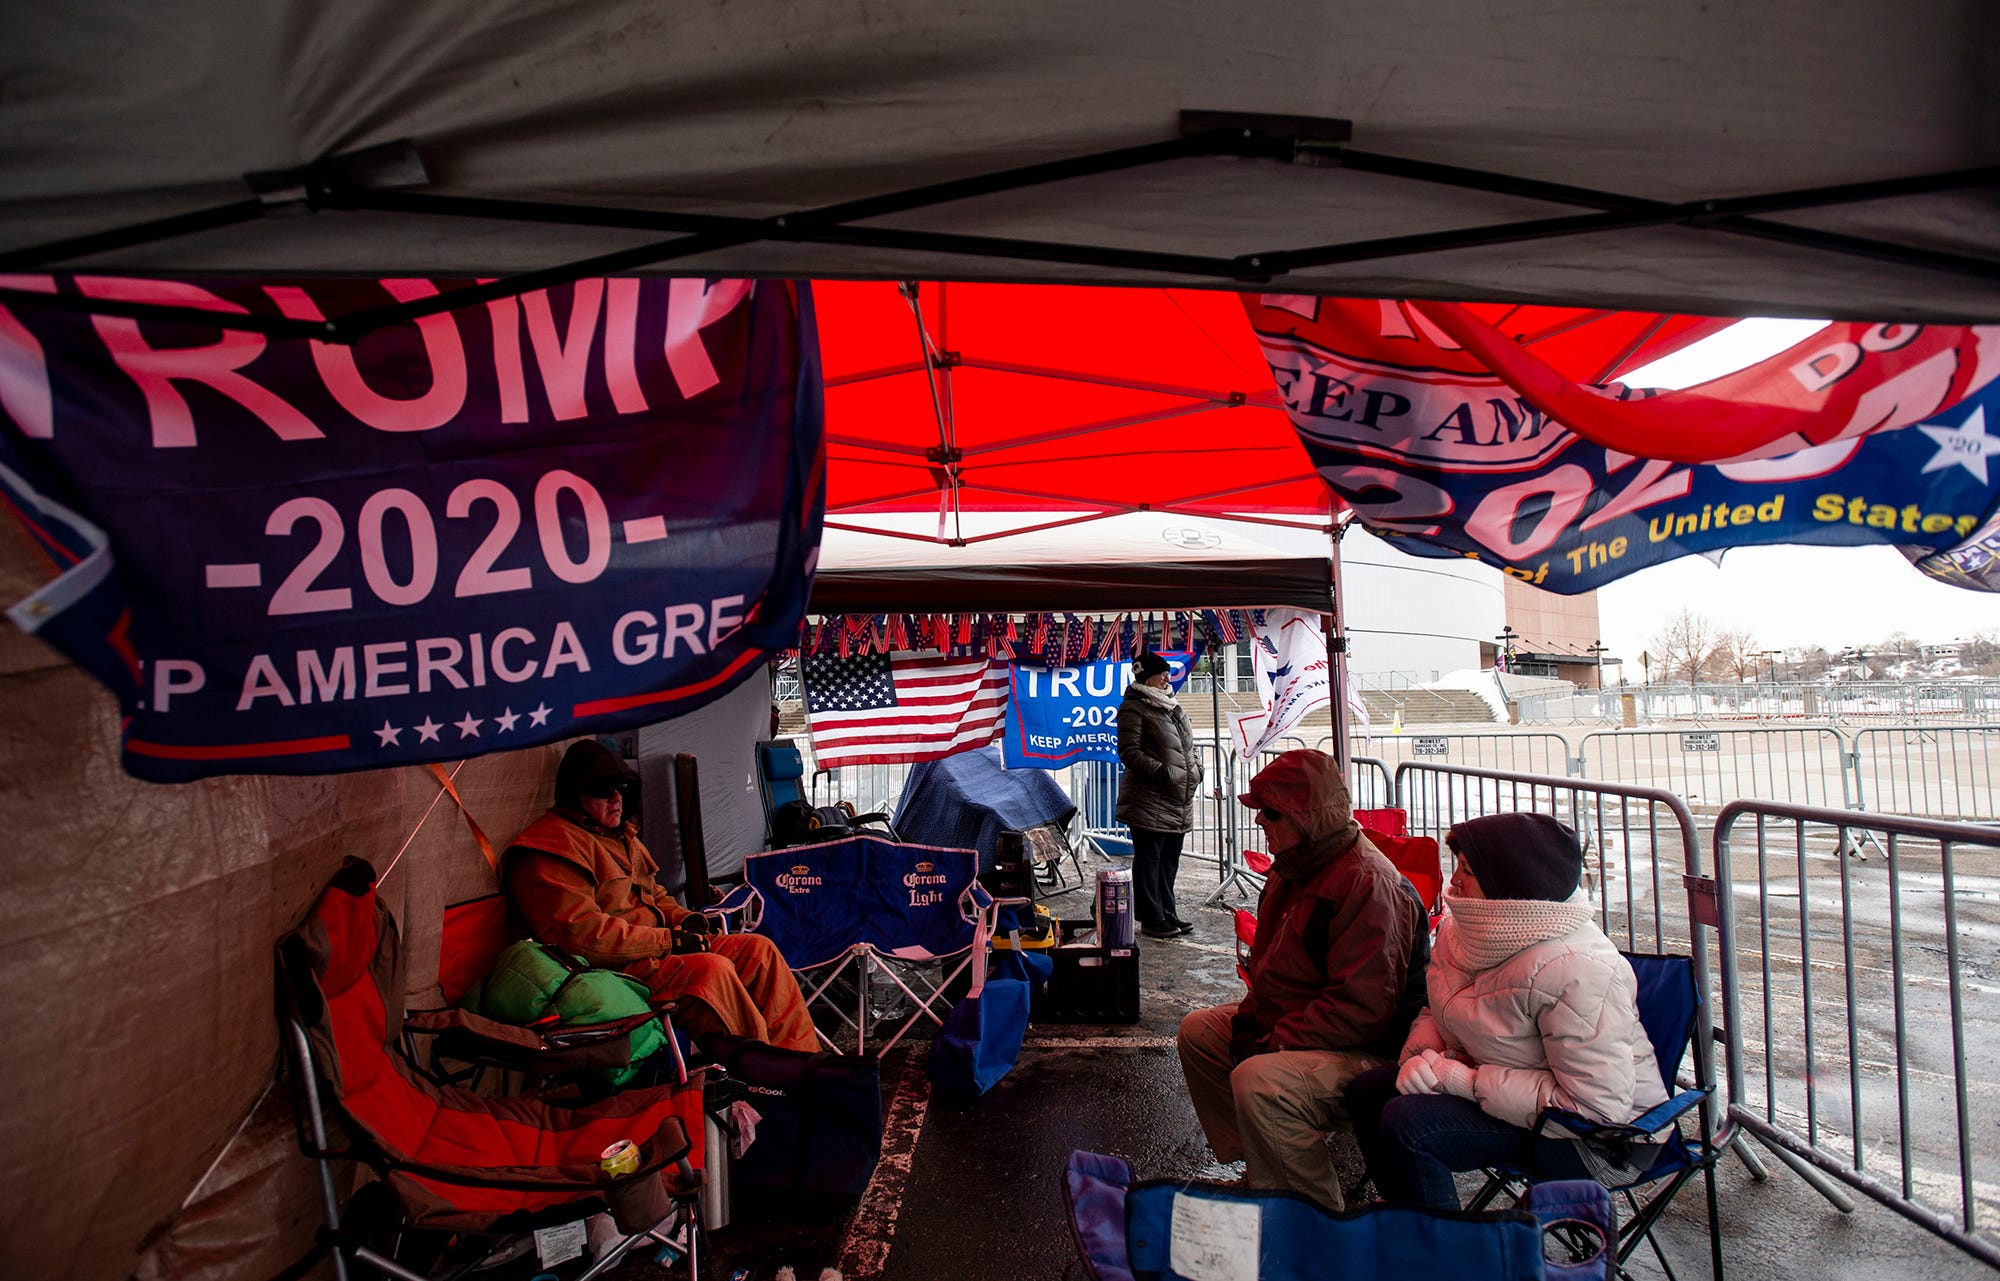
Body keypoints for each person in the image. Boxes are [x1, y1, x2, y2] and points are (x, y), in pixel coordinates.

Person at [1345, 811, 1668, 1208]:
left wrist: (1463, 1080)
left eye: (1467, 871)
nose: (1453, 880)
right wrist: (1422, 1056)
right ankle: (1406, 1215)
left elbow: (1595, 1110)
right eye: (1457, 865)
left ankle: (1444, 1241)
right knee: (1368, 1092)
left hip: (1597, 1141)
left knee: (1409, 1124)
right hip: (1509, 1089)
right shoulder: (1467, 932)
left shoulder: (1579, 971)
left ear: (1509, 883)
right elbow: (1437, 1007)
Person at [1176, 750, 1430, 1212]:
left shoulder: (1367, 884)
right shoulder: (1294, 867)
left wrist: (1274, 1041)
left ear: (1306, 818)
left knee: (1261, 1080)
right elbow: (1270, 969)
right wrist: (1253, 1021)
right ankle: (1264, 1174)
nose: (1260, 821)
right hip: (1311, 1026)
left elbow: (1361, 1011)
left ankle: (1310, 1216)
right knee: (1201, 1032)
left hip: (1373, 1051)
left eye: (1270, 813)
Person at [504, 738, 819, 1052]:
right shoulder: (551, 849)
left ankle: (803, 1066)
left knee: (759, 953)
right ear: (575, 794)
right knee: (712, 971)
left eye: (622, 789)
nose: (616, 798)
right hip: (615, 971)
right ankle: (764, 1072)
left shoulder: (618, 838)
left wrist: (690, 922)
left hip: (658, 955)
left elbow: (655, 896)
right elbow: (582, 937)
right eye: (603, 790)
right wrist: (670, 941)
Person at [1116, 649, 1202, 939]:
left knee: (1168, 861)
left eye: (1167, 673)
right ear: (1146, 677)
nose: (1167, 678)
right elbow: (1129, 752)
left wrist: (1197, 769)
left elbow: (1188, 747)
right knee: (1149, 861)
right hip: (1149, 800)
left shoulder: (1172, 707)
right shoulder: (1134, 708)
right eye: (1161, 674)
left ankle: (1167, 911)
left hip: (1177, 799)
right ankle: (1151, 918)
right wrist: (1161, 772)